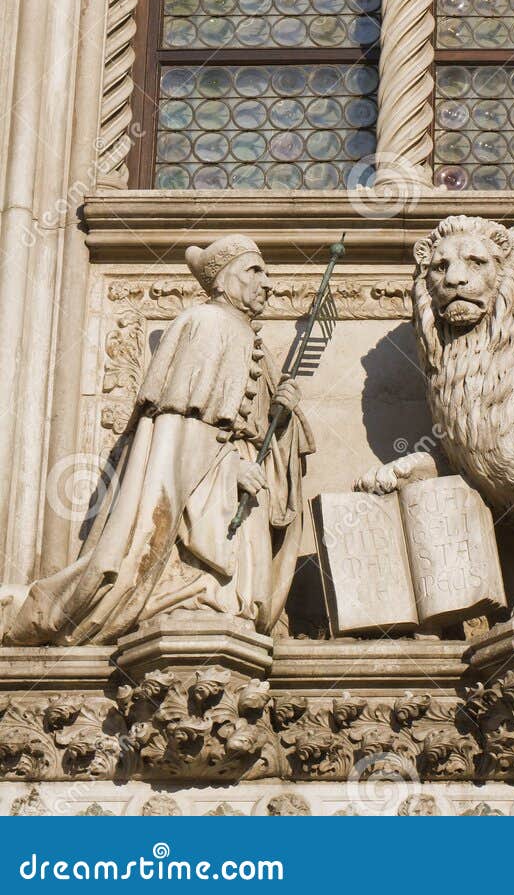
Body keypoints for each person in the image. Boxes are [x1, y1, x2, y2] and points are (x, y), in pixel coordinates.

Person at [2, 236, 312, 645]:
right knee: (202, 595)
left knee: (240, 604)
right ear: (220, 281)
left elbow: (257, 434)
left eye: (267, 272)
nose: (267, 282)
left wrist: (282, 418)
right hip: (211, 487)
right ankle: (185, 597)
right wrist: (229, 469)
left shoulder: (249, 339)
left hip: (241, 485)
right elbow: (179, 429)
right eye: (254, 270)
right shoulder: (206, 325)